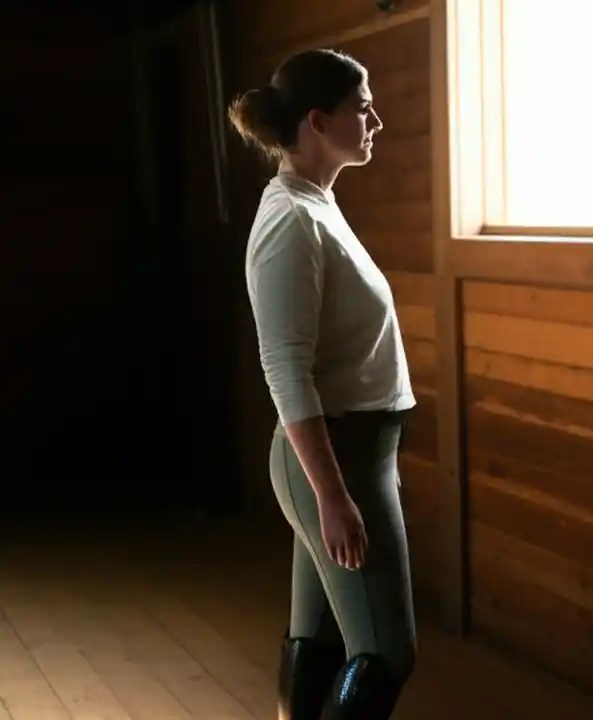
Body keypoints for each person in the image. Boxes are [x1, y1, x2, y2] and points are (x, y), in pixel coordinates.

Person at [227, 48, 416, 719]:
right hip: (334, 458)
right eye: (362, 107)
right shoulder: (291, 222)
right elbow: (284, 370)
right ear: (317, 122)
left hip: (350, 452)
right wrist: (332, 496)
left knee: (319, 639)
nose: (377, 120)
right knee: (386, 651)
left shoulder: (314, 202)